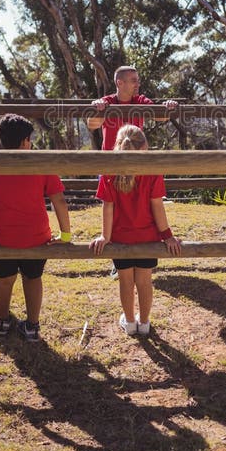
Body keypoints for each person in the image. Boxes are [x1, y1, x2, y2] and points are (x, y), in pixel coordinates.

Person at [0, 113, 71, 342]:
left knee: (4, 279)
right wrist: (65, 234)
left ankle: (1, 320)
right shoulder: (41, 164)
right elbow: (59, 200)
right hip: (36, 237)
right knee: (32, 278)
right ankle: (32, 326)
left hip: (0, 238)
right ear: (26, 141)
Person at [89, 124, 181, 336]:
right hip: (148, 238)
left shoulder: (109, 173)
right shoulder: (152, 172)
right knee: (144, 281)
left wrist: (106, 236)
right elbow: (157, 206)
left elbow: (108, 207)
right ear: (145, 146)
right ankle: (145, 322)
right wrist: (167, 236)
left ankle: (130, 323)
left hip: (120, 239)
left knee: (125, 281)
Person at [86, 65, 178, 151]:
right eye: (134, 81)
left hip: (136, 159)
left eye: (138, 81)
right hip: (111, 160)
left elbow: (160, 117)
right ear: (119, 83)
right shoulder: (107, 102)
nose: (138, 84)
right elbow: (92, 125)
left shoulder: (141, 100)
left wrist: (169, 107)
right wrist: (98, 108)